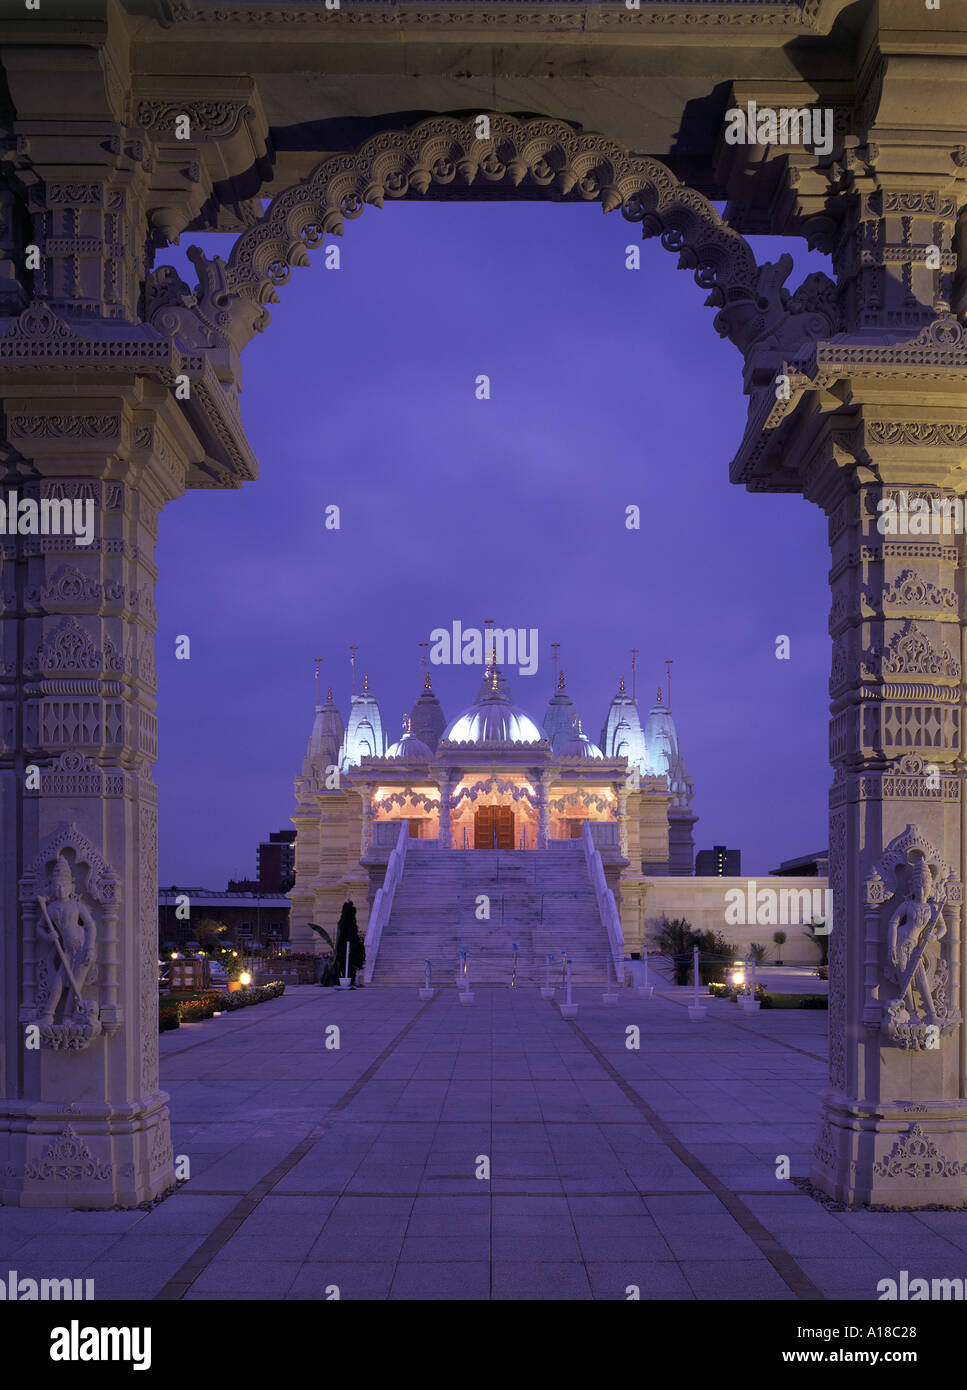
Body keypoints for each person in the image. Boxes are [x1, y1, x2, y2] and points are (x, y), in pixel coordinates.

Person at [334, 900, 366, 987]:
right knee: (349, 965)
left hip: (345, 947)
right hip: (349, 946)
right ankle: (349, 980)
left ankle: (348, 979)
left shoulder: (343, 922)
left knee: (346, 965)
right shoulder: (349, 922)